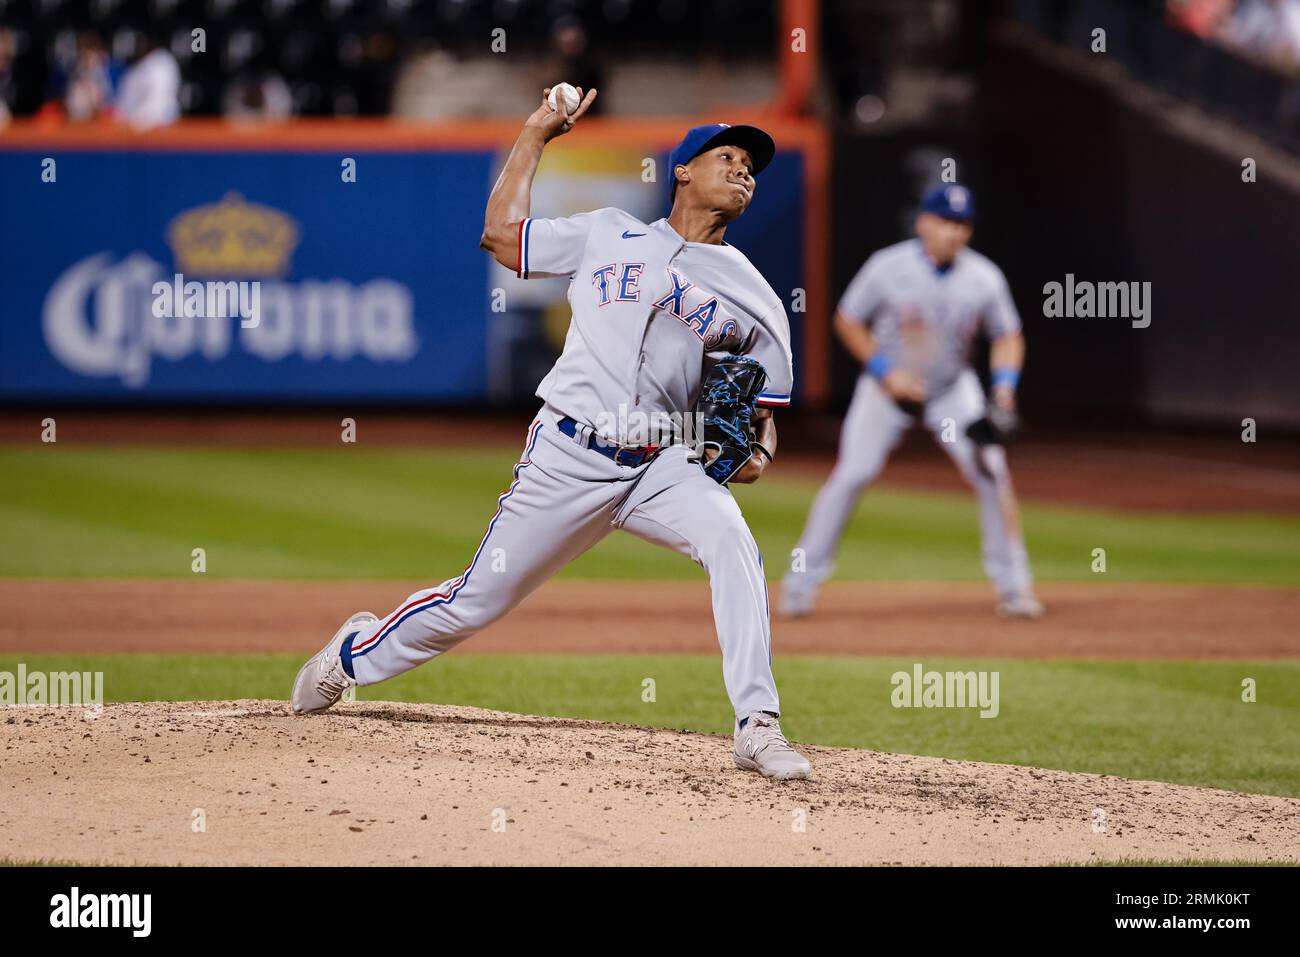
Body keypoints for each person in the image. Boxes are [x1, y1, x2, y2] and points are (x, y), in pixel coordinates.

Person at [292, 88, 812, 780]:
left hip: (660, 463)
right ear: (683, 170)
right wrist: (537, 133)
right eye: (730, 156)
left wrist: (752, 457)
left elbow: (764, 424)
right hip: (568, 453)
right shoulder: (608, 232)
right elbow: (501, 236)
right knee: (475, 600)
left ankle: (757, 723)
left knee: (731, 536)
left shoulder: (757, 297)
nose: (745, 170)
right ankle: (351, 654)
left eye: (753, 165)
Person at [781, 184, 1043, 620]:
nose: (953, 232)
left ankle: (1014, 587)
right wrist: (886, 373)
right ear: (923, 222)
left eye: (961, 224)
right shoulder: (888, 267)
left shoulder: (984, 277)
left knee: (992, 475)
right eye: (944, 221)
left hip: (950, 390)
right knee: (852, 475)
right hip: (886, 388)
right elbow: (847, 320)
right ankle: (800, 585)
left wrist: (1003, 390)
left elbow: (1008, 336)